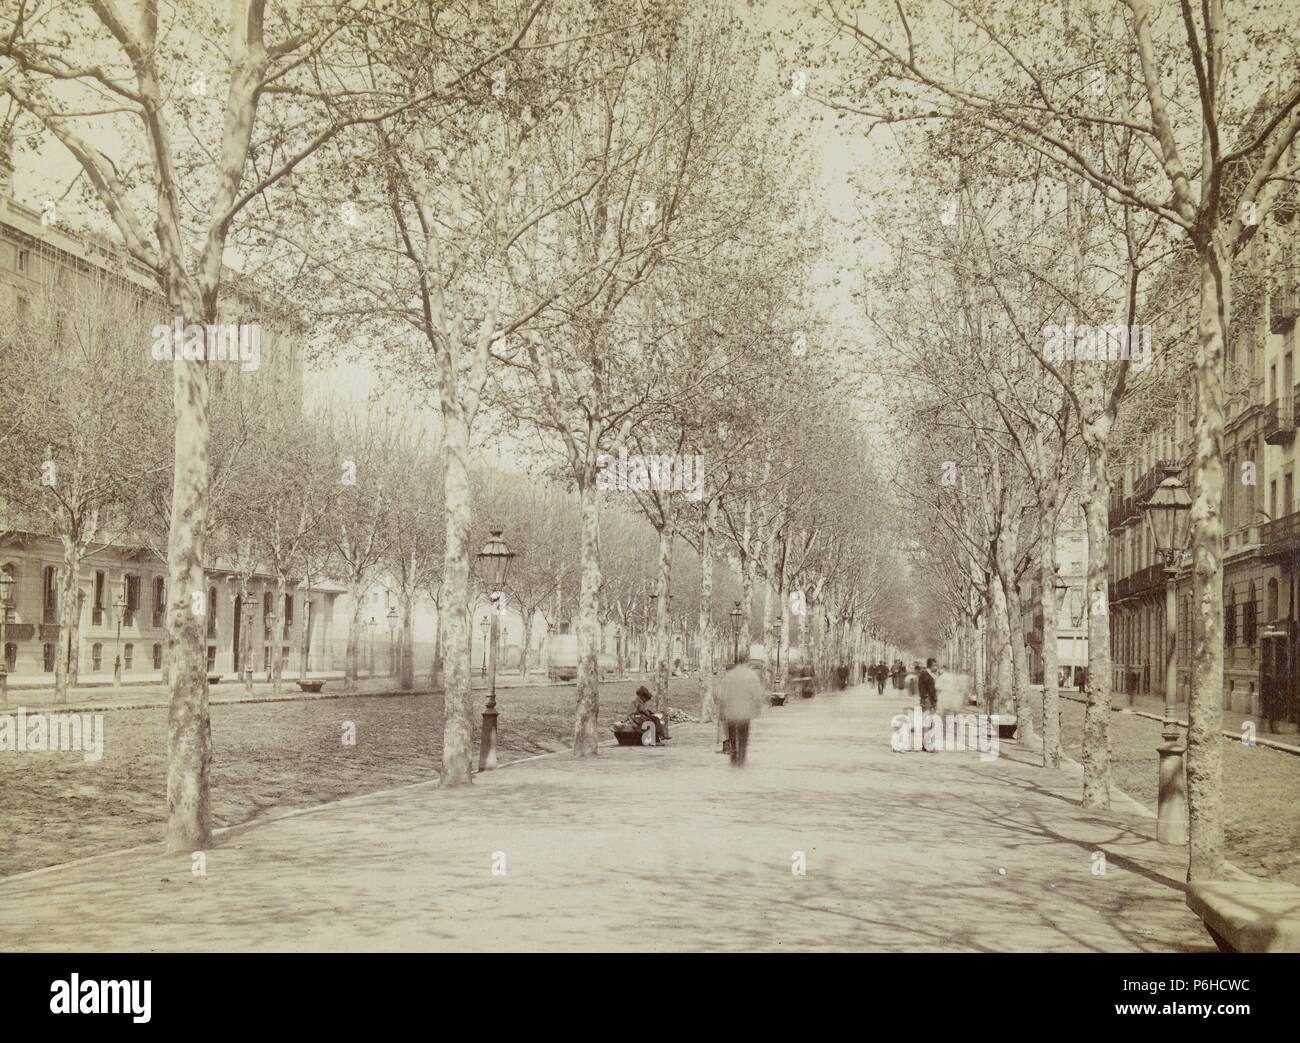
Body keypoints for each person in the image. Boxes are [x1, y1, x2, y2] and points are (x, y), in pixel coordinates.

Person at [718, 653, 764, 766]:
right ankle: (742, 757)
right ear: (746, 661)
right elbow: (757, 695)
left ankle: (733, 757)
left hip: (731, 711)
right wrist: (757, 708)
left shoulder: (729, 676)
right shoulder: (751, 675)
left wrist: (722, 709)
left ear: (737, 661)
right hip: (745, 712)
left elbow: (721, 694)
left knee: (732, 735)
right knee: (743, 735)